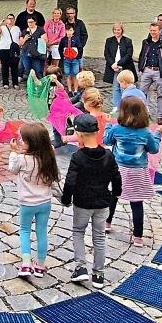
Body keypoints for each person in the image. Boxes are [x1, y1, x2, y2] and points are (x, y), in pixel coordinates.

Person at [62, 113, 121, 289]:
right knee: (99, 237)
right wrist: (116, 193)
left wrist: (66, 199)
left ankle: (80, 268)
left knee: (78, 232)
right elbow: (116, 177)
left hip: (82, 202)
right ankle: (98, 274)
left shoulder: (78, 157)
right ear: (97, 132)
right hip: (103, 202)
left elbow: (70, 181)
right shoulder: (108, 155)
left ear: (79, 135)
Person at [103, 97, 162, 246]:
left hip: (118, 169)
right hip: (137, 171)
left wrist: (108, 127)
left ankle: (107, 223)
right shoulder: (146, 133)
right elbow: (154, 149)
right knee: (136, 202)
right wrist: (157, 134)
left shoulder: (117, 129)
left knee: (113, 196)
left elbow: (107, 141)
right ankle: (138, 237)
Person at [8, 122, 61, 278]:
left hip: (27, 203)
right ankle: (40, 265)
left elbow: (12, 168)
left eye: (23, 140)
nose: (20, 142)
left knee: (24, 230)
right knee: (42, 232)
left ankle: (25, 264)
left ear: (31, 143)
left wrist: (13, 152)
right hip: (45, 202)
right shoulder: (48, 156)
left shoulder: (21, 159)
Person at [137, 22, 162, 124]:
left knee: (161, 95)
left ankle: (160, 116)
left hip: (159, 71)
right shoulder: (146, 42)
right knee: (141, 93)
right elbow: (142, 55)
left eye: (155, 31)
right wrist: (141, 67)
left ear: (159, 31)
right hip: (147, 70)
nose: (153, 32)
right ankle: (142, 114)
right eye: (151, 30)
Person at [103, 23, 136, 112]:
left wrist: (118, 63)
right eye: (115, 30)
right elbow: (107, 54)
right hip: (113, 68)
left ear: (122, 30)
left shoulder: (128, 41)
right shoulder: (109, 40)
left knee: (124, 87)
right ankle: (116, 106)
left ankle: (125, 106)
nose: (117, 31)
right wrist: (112, 64)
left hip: (124, 67)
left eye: (118, 30)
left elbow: (129, 55)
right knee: (115, 87)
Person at [15, 0, 46, 77]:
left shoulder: (39, 16)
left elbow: (44, 38)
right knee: (26, 66)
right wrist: (24, 38)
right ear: (26, 5)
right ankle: (24, 78)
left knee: (38, 68)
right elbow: (18, 29)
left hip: (37, 50)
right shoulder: (21, 16)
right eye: (30, 4)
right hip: (26, 48)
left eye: (33, 4)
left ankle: (39, 82)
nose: (31, 6)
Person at [0, 13, 21, 89]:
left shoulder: (17, 28)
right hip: (3, 49)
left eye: (12, 18)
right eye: (9, 18)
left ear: (14, 19)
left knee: (14, 67)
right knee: (5, 67)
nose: (10, 20)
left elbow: (20, 37)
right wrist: (1, 23)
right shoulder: (3, 27)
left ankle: (15, 83)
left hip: (13, 50)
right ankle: (5, 83)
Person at [19, 16, 47, 81]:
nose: (30, 24)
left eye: (31, 22)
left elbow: (45, 40)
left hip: (37, 52)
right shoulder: (25, 31)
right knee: (28, 69)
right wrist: (25, 38)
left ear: (35, 22)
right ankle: (31, 84)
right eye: (28, 22)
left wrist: (38, 39)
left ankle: (40, 84)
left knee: (38, 69)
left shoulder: (40, 30)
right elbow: (20, 43)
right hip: (26, 52)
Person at [59, 23, 84, 92]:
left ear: (73, 31)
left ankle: (75, 90)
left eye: (70, 30)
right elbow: (60, 48)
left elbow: (80, 48)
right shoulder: (63, 39)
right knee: (68, 75)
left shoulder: (76, 39)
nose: (69, 32)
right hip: (66, 59)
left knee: (75, 74)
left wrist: (78, 57)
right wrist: (62, 56)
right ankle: (69, 90)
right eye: (67, 30)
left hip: (74, 59)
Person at [44, 7, 67, 75]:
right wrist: (46, 42)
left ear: (60, 15)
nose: (56, 15)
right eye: (55, 13)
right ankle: (45, 73)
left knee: (56, 56)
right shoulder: (48, 22)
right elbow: (44, 32)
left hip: (55, 44)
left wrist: (52, 43)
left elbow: (61, 37)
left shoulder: (62, 25)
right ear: (52, 14)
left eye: (58, 13)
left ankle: (54, 73)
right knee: (43, 58)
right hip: (46, 43)